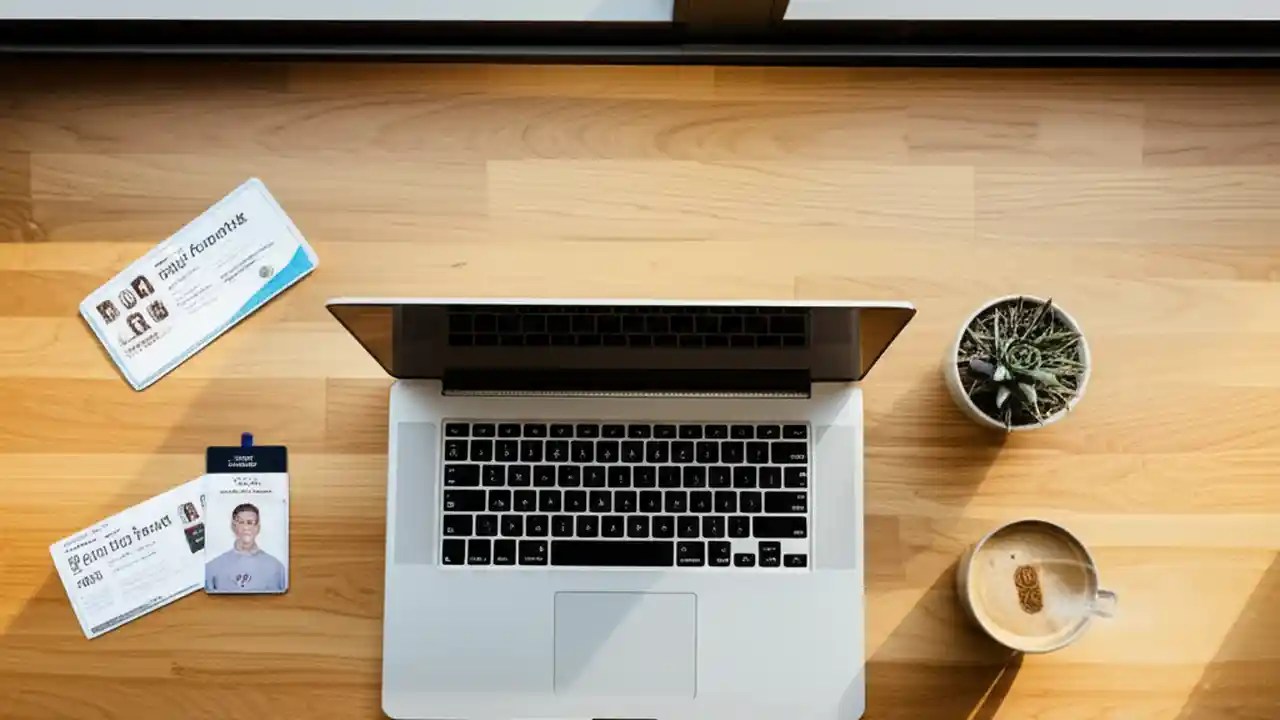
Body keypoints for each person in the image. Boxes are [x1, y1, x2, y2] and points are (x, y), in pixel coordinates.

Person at [205, 503, 286, 592]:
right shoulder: (213, 568)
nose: (246, 527)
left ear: (258, 528)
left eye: (250, 523)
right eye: (241, 522)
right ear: (233, 526)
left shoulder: (275, 567)